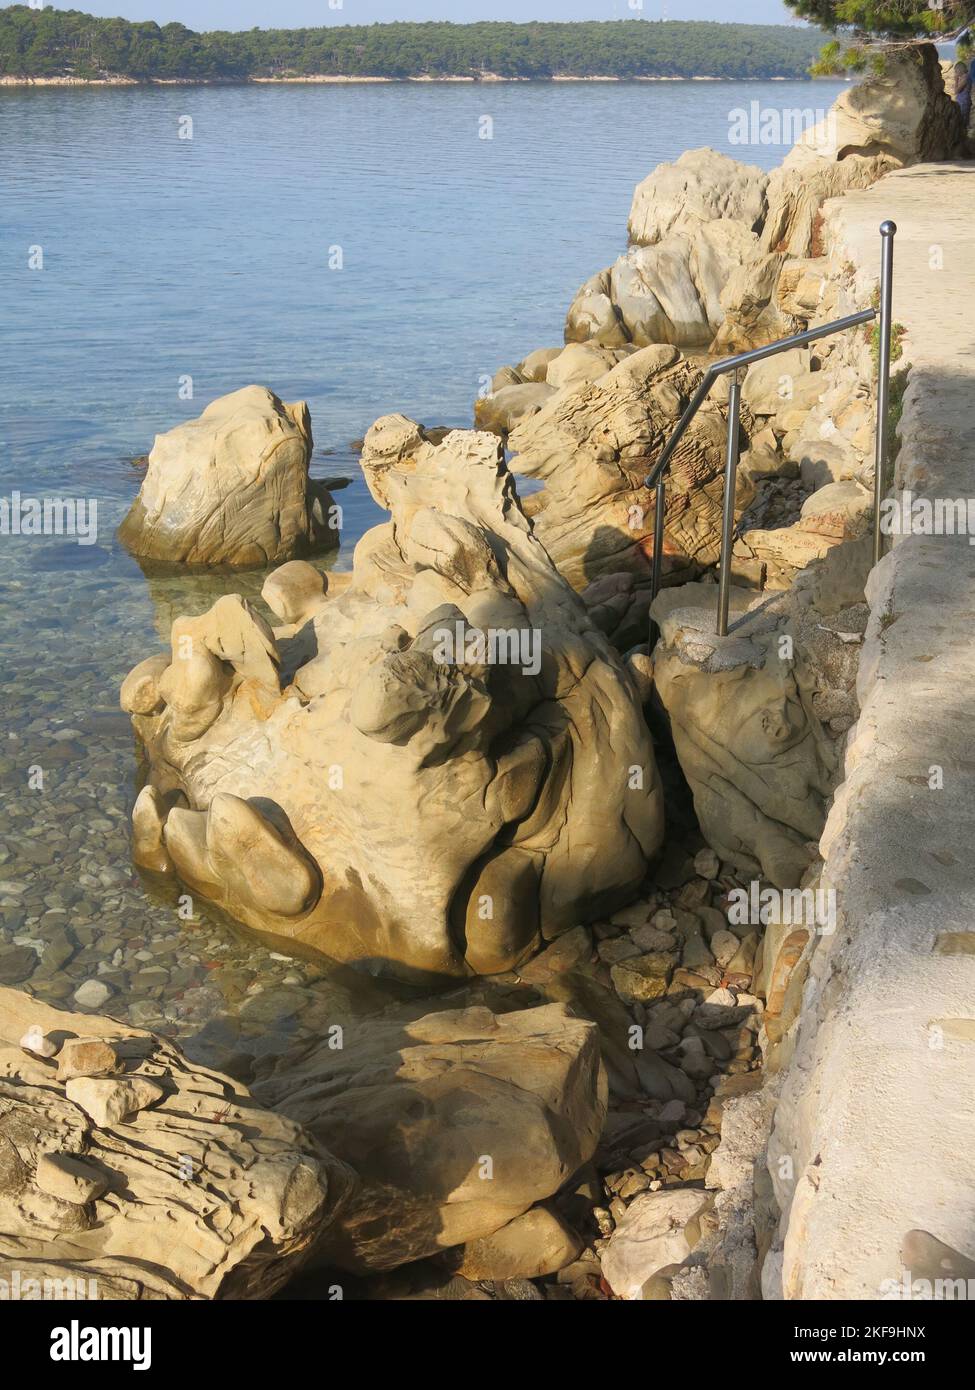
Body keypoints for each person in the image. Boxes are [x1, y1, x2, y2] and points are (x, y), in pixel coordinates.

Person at [954, 59, 972, 124]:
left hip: (963, 102)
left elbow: (956, 91)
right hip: (964, 101)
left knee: (962, 122)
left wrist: (956, 80)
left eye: (956, 71)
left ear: (959, 70)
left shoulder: (965, 78)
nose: (955, 73)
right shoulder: (966, 76)